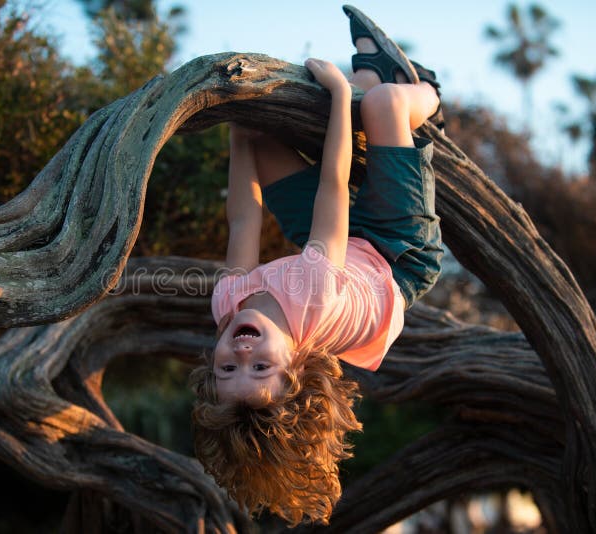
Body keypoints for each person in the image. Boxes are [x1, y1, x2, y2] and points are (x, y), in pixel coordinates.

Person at [190, 5, 444, 526]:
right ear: (297, 366)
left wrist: (239, 132)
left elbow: (243, 218)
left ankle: (373, 78)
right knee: (383, 103)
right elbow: (334, 186)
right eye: (260, 367)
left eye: (226, 368)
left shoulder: (226, 306)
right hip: (396, 253)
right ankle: (428, 95)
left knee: (264, 142)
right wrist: (338, 97)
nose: (240, 351)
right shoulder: (313, 293)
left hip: (333, 245)